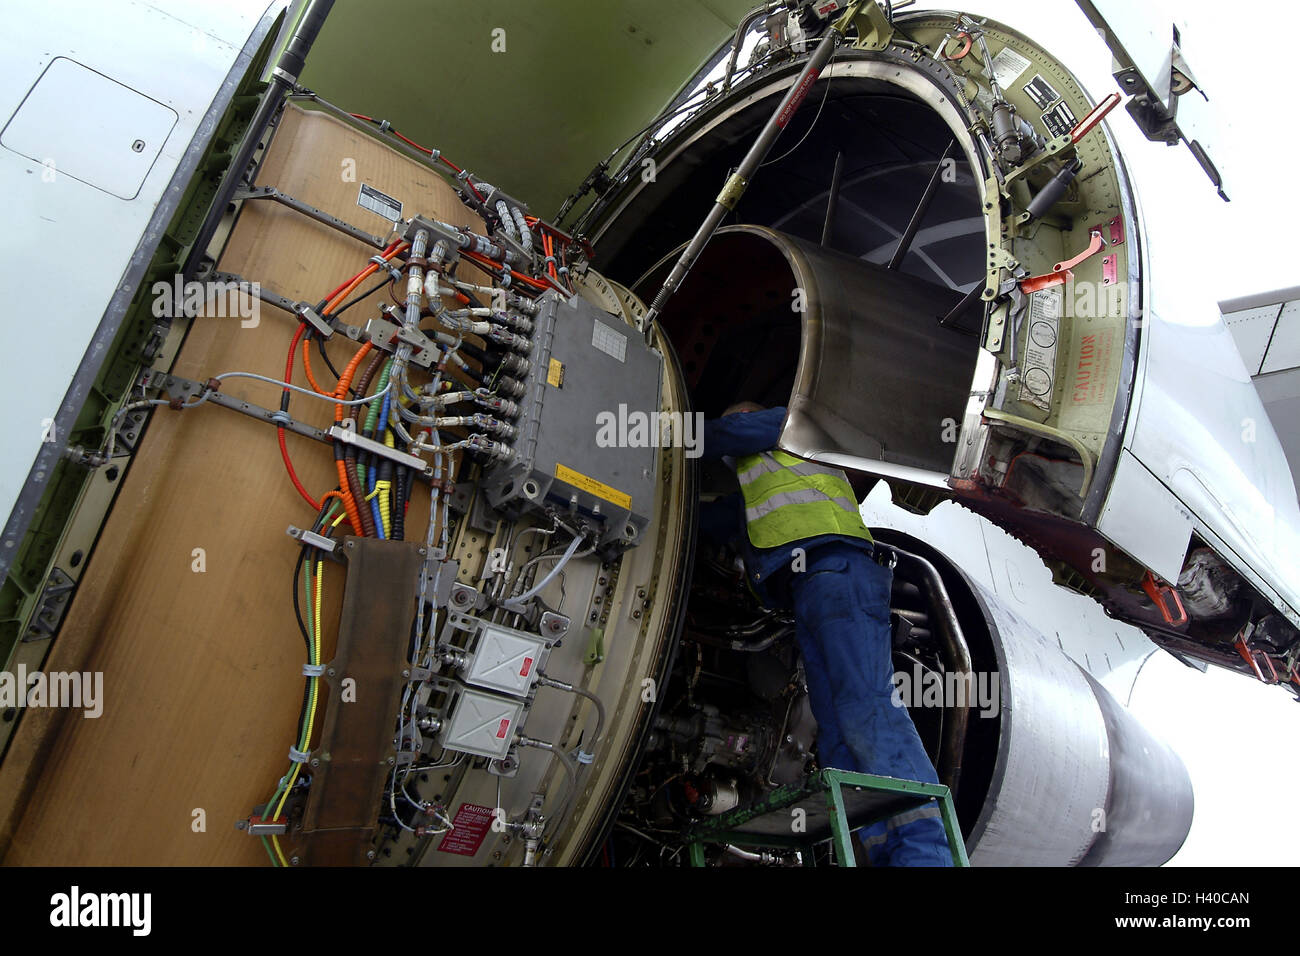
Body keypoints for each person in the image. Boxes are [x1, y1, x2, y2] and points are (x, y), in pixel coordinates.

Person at [699, 402, 952, 866]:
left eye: (737, 415)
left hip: (839, 572)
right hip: (811, 592)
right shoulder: (757, 482)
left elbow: (721, 434)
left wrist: (659, 434)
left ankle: (925, 853)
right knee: (835, 733)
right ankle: (880, 851)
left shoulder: (787, 426)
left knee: (866, 708)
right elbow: (715, 521)